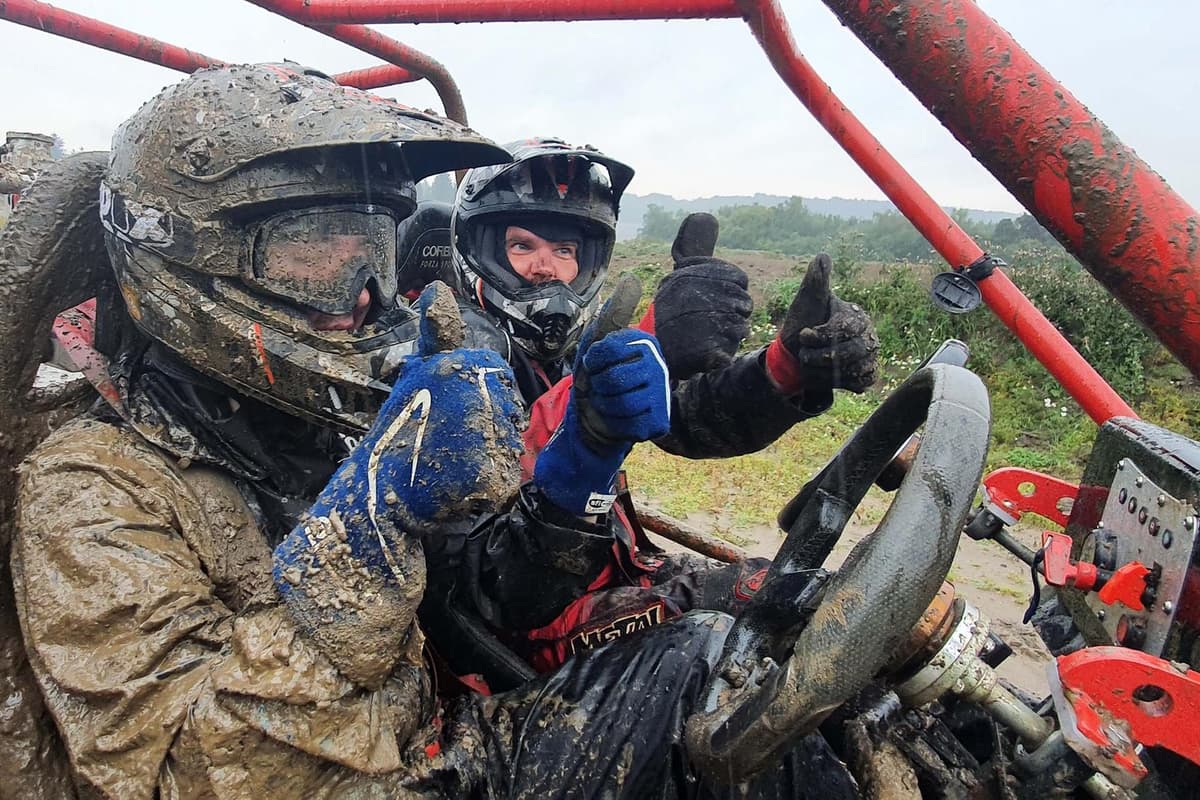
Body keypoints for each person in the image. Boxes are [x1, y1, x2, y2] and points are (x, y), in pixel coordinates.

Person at [9, 62, 859, 799]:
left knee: (767, 662)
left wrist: (724, 392)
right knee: (708, 669)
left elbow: (478, 592)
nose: (363, 294)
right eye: (315, 252)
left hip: (433, 729)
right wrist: (366, 528)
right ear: (185, 255)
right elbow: (189, 777)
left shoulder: (327, 409)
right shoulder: (94, 491)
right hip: (378, 775)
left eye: (373, 248)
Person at [430, 138, 881, 672]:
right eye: (523, 246)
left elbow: (686, 416)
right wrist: (619, 378)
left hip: (610, 575)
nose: (546, 268)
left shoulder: (559, 349)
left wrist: (784, 370)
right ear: (480, 249)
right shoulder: (452, 355)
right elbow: (500, 560)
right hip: (524, 626)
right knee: (767, 614)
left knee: (803, 597)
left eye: (566, 251)